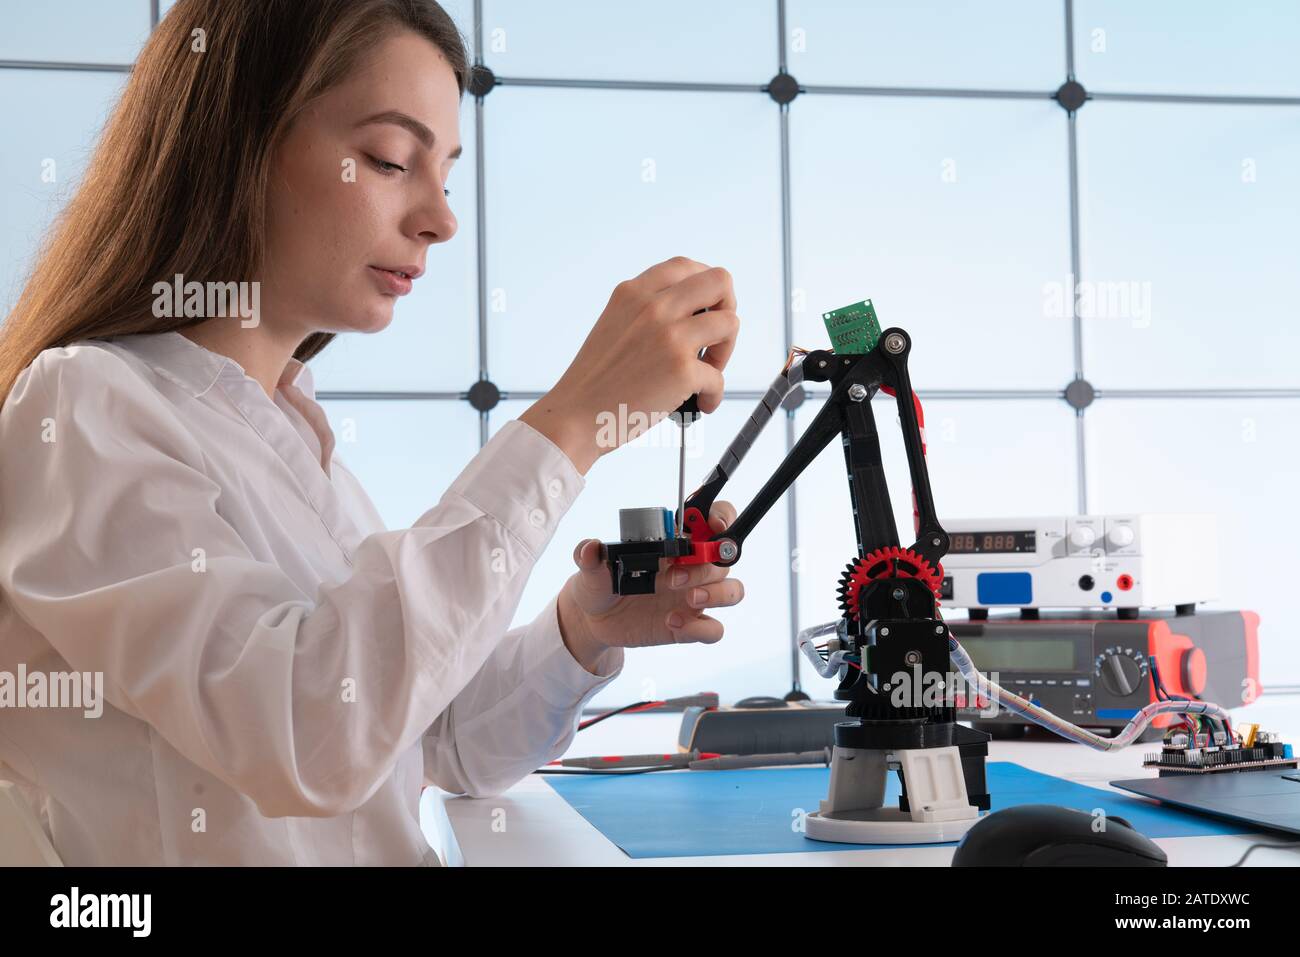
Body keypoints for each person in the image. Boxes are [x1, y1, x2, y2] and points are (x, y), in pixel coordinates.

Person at [0, 0, 743, 866]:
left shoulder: (287, 435)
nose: (441, 218)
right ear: (239, 145)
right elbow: (313, 734)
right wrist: (571, 421)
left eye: (447, 175)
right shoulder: (82, 408)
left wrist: (584, 628)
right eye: (390, 160)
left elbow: (434, 741)